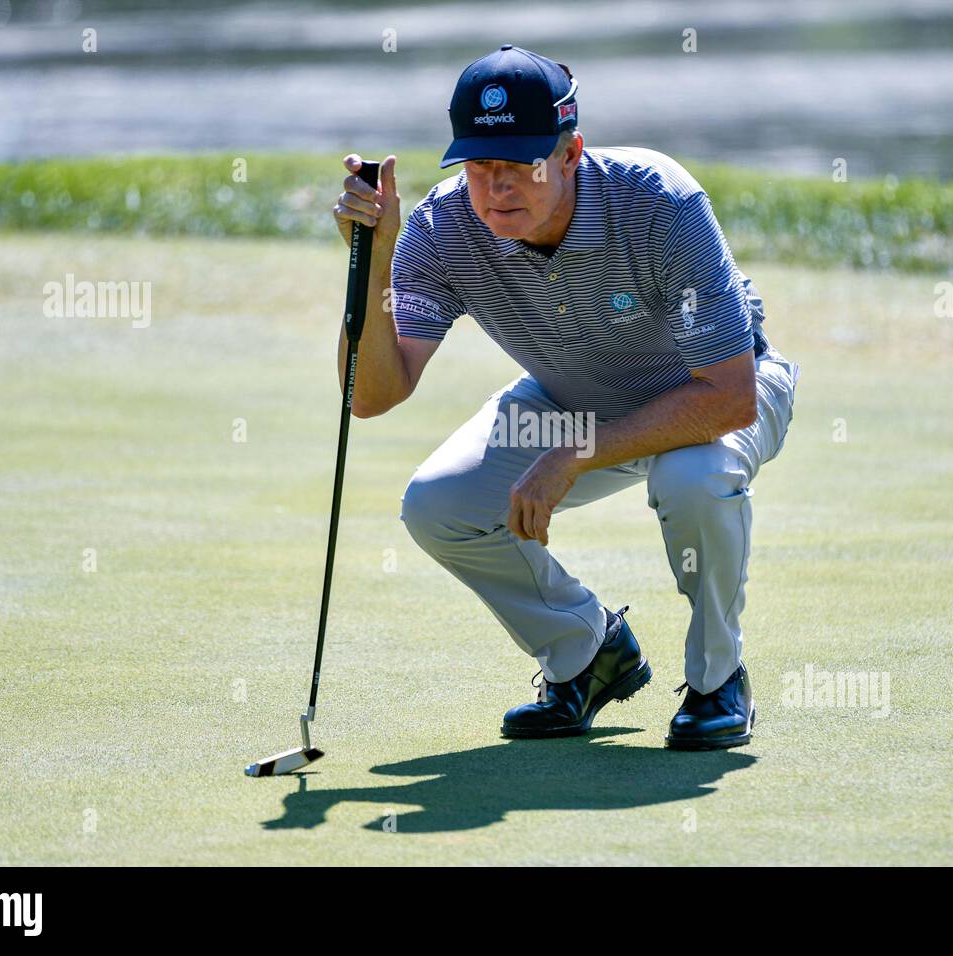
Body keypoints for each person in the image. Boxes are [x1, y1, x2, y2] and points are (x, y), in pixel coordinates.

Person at [332, 45, 798, 750]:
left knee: (692, 476)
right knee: (439, 505)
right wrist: (371, 263)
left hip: (713, 394)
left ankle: (717, 680)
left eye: (523, 164)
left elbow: (728, 397)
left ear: (572, 151)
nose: (497, 188)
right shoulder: (442, 228)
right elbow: (372, 396)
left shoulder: (659, 201)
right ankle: (587, 651)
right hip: (570, 400)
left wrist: (572, 456)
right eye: (481, 166)